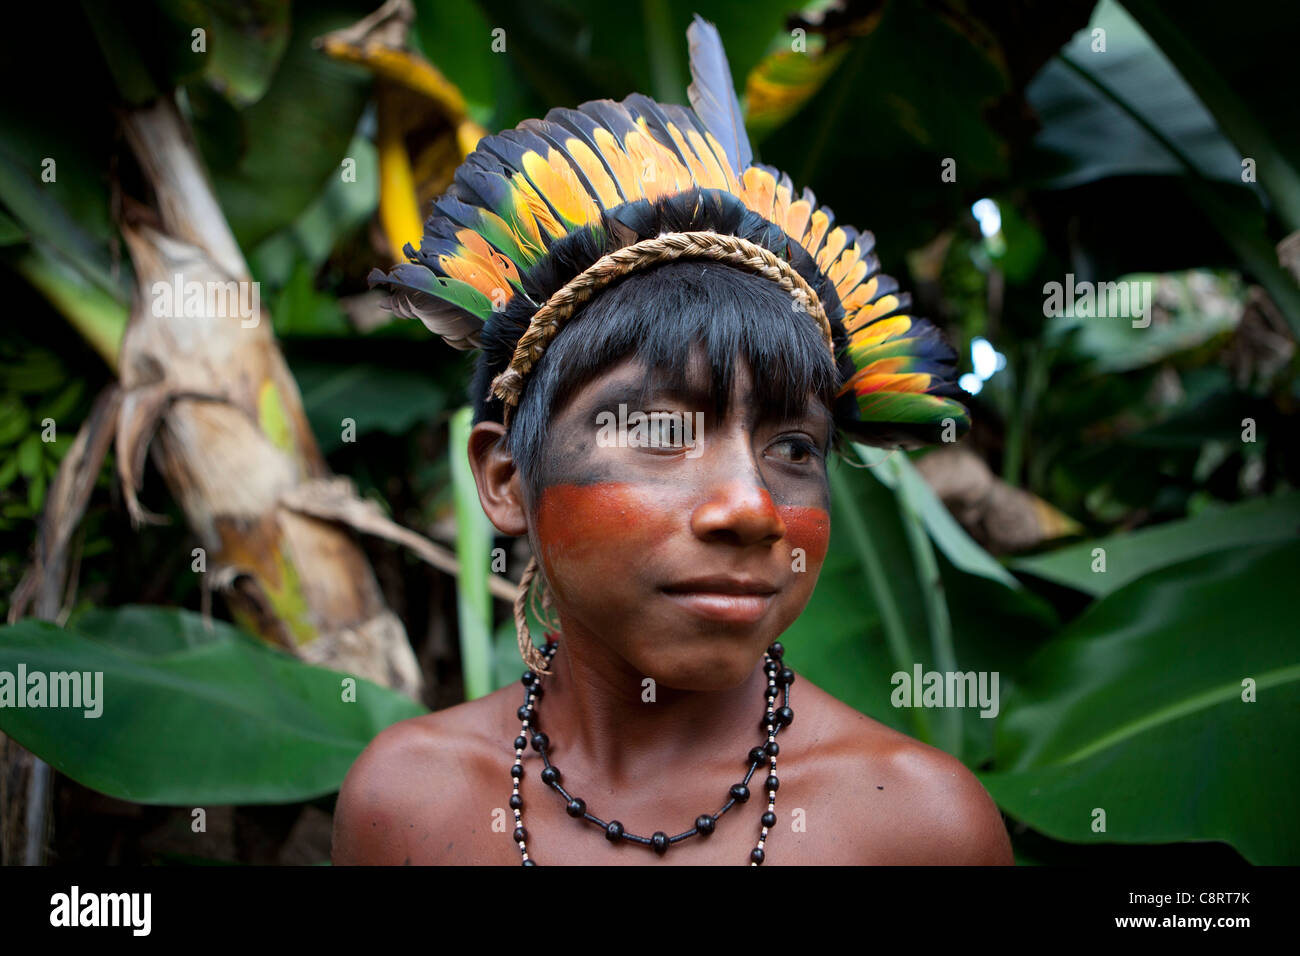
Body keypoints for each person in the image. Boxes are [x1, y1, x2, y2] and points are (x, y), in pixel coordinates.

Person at [332, 17, 1011, 866]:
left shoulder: (922, 828)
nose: (750, 508)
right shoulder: (405, 805)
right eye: (658, 430)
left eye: (795, 448)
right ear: (506, 477)